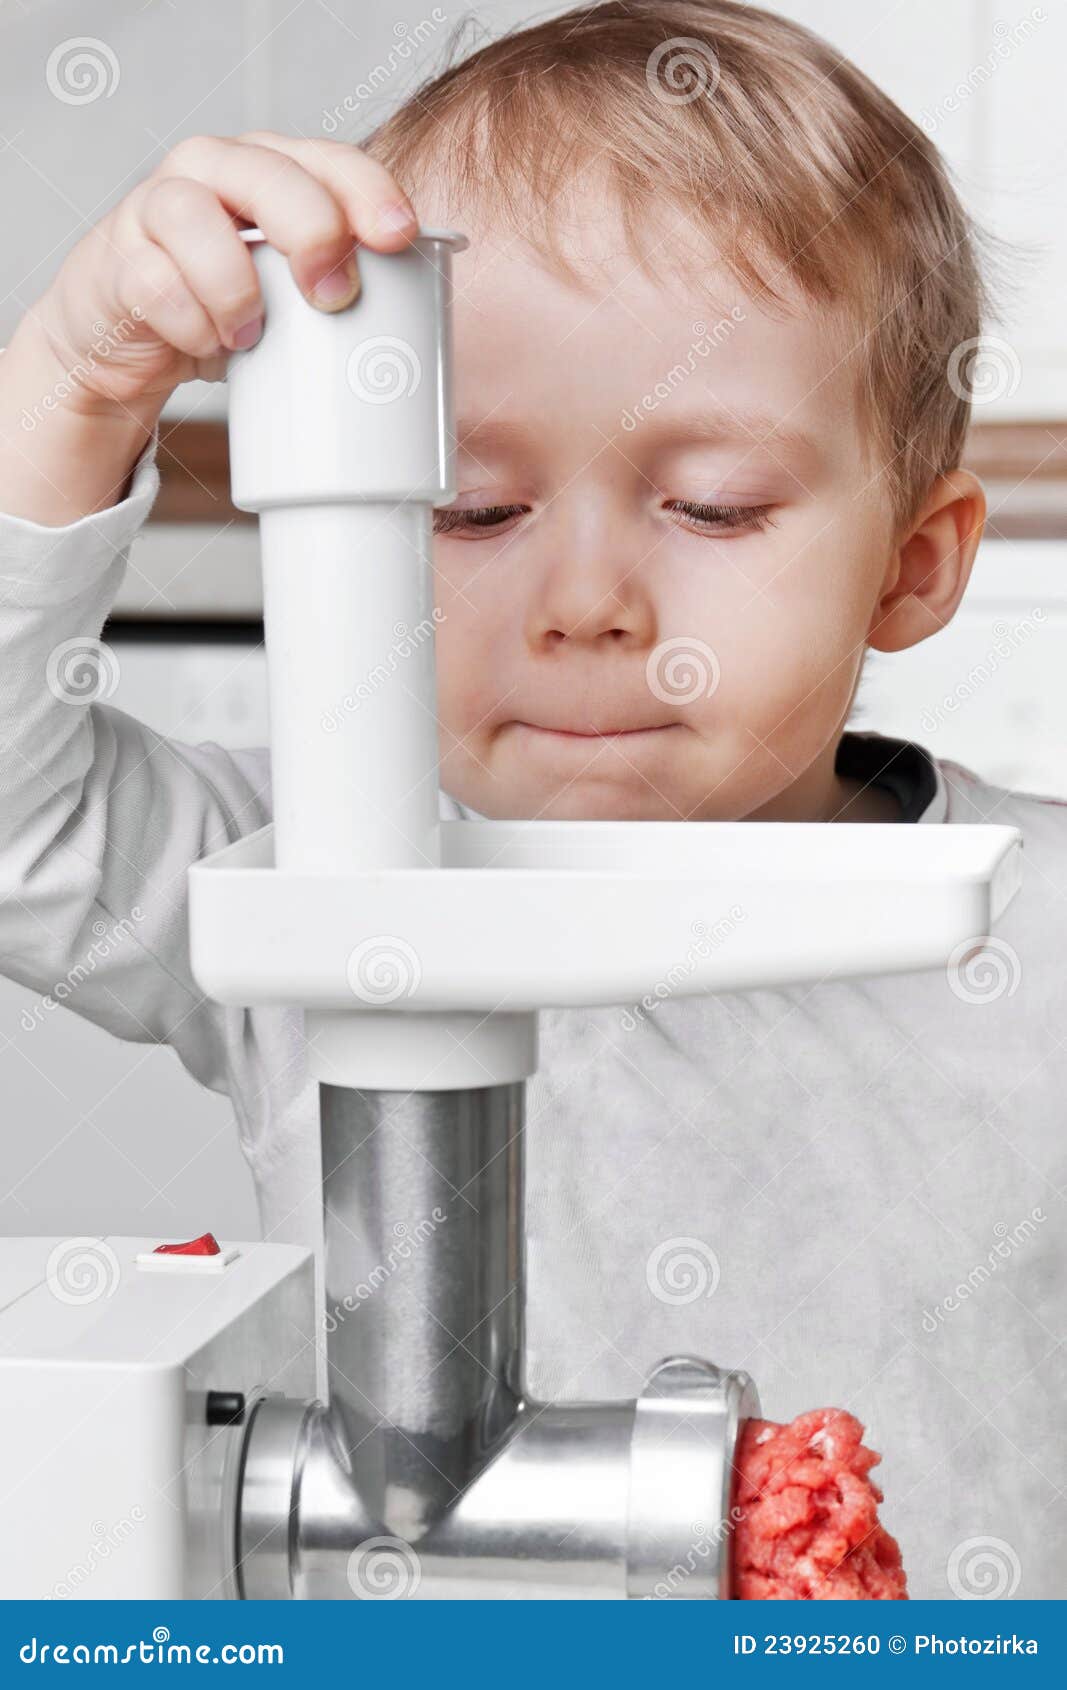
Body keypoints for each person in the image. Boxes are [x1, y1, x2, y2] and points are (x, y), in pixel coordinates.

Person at [0, 1, 1057, 1598]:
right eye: (475, 507)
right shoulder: (314, 880)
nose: (585, 602)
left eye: (710, 505)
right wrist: (75, 388)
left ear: (911, 565)